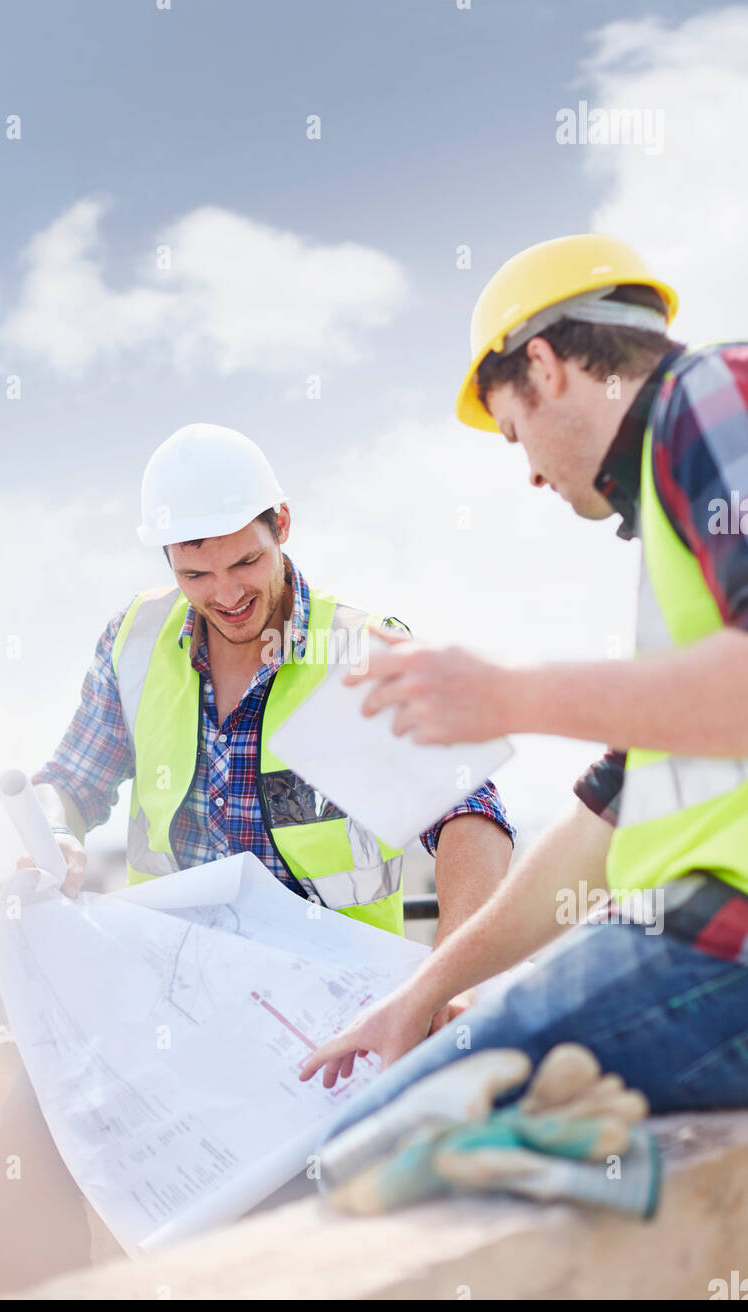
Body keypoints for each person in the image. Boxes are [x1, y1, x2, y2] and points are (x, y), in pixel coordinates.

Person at [0, 421, 514, 1291]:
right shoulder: (134, 644)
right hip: (176, 1001)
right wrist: (54, 833)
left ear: (283, 527)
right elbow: (71, 783)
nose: (225, 593)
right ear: (166, 560)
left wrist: (450, 984)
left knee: (260, 1242)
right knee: (27, 1144)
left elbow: (470, 816)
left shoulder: (361, 653)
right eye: (195, 573)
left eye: (245, 563)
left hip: (321, 1022)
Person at [301, 233, 748, 1130]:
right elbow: (601, 819)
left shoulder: (710, 392)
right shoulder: (676, 534)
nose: (533, 473)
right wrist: (422, 995)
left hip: (719, 949)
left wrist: (509, 696)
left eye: (516, 434)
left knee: (364, 1141)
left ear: (543, 367)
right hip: (704, 950)